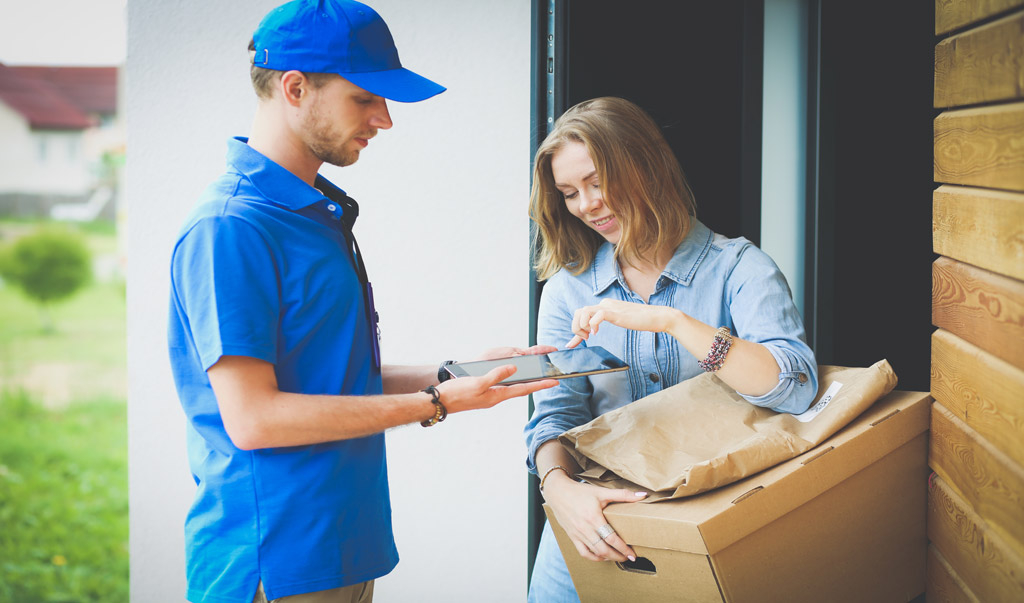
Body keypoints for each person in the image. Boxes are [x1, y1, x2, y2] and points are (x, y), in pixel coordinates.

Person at [167, 1, 556, 602]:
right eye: (365, 98)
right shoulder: (231, 228)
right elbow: (255, 419)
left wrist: (458, 375)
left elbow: (331, 379)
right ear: (295, 88)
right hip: (275, 564)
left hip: (343, 550)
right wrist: (436, 403)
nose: (385, 119)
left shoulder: (315, 214)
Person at [523, 97, 819, 602]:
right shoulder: (566, 291)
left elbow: (793, 390)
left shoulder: (740, 269)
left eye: (597, 182)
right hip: (595, 525)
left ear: (645, 165)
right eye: (570, 193)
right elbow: (557, 416)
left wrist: (673, 322)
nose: (586, 205)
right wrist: (560, 490)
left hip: (713, 524)